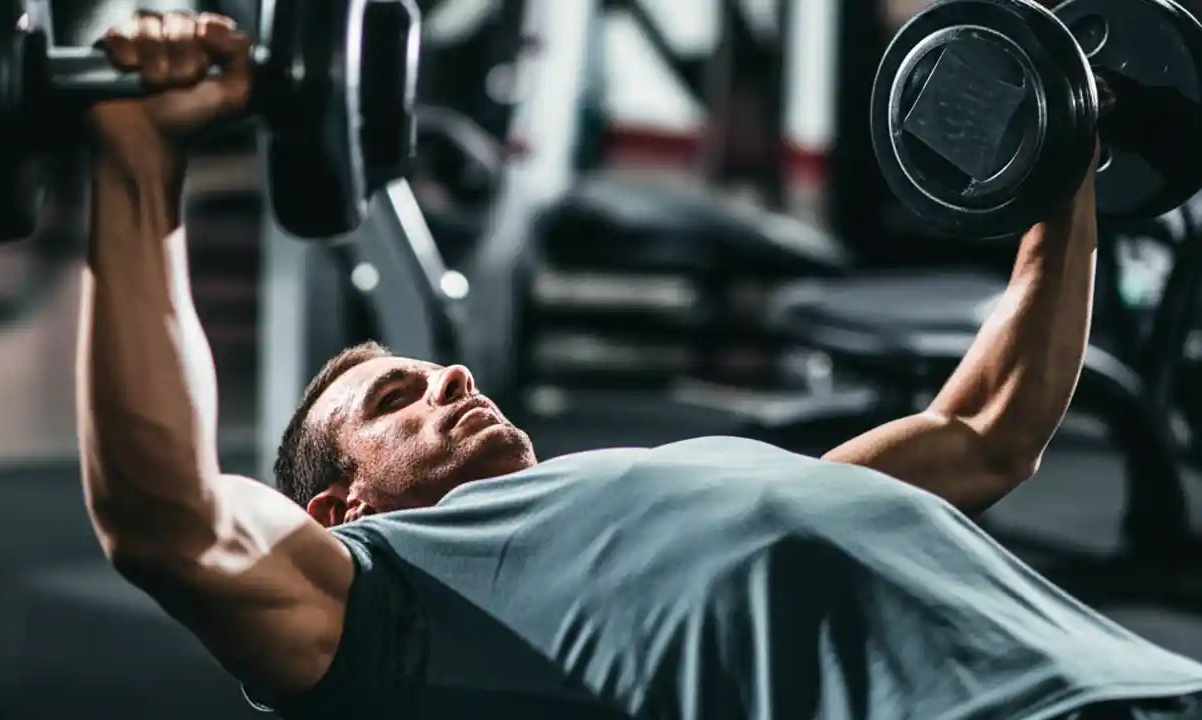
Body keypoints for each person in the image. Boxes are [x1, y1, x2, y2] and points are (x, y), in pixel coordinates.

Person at [78, 11, 1202, 720]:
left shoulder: (693, 472)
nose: (453, 381)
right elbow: (164, 520)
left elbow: (985, 432)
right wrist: (139, 163)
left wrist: (1065, 154)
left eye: (436, 371)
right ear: (338, 504)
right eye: (396, 398)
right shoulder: (380, 602)